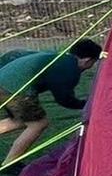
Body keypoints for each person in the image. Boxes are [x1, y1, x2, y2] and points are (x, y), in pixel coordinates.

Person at [0, 39, 102, 168]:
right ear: (87, 60)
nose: (90, 67)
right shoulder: (69, 68)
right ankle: (9, 163)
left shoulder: (62, 58)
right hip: (14, 88)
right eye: (92, 62)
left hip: (4, 82)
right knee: (38, 124)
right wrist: (87, 104)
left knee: (20, 120)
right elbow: (63, 99)